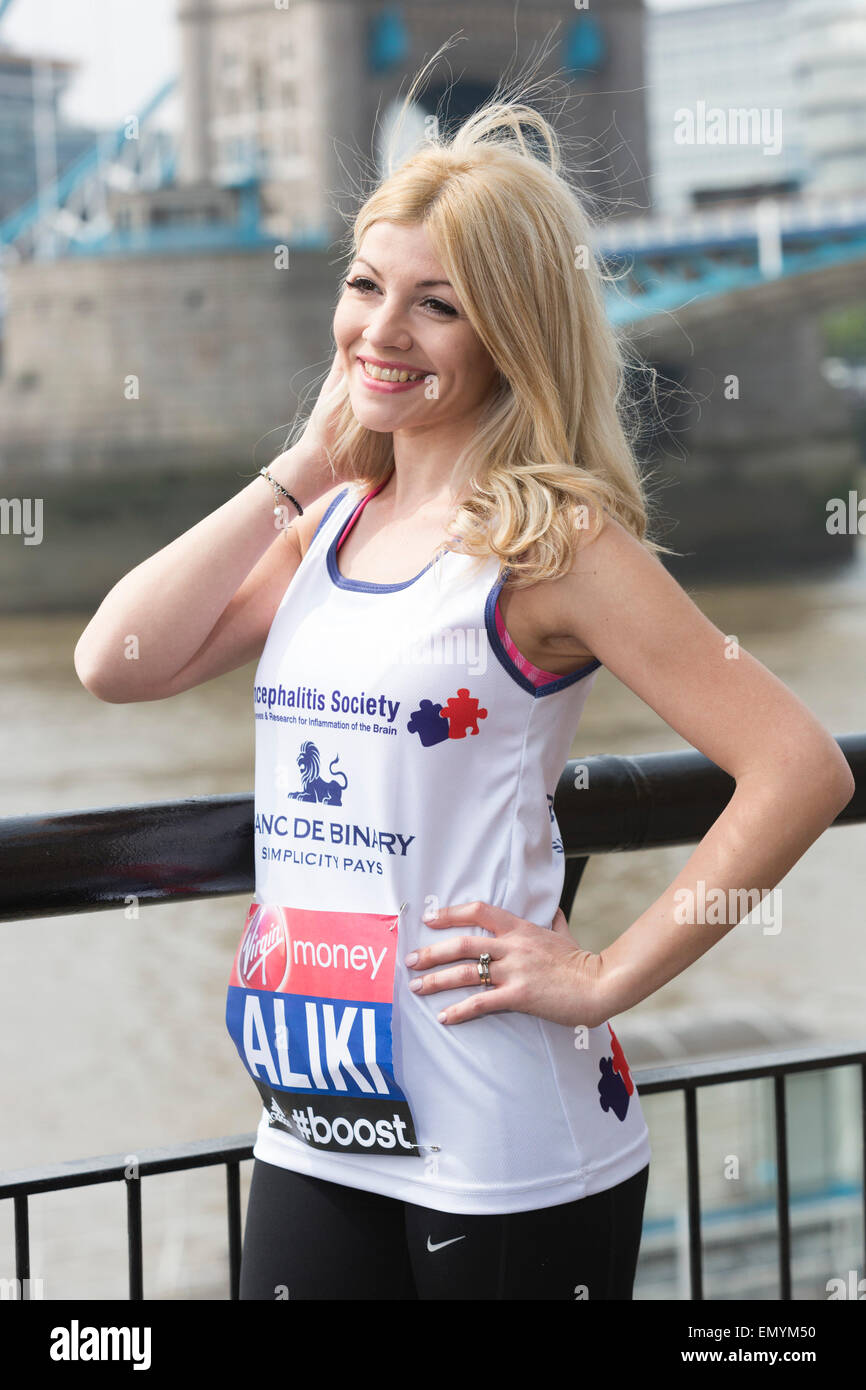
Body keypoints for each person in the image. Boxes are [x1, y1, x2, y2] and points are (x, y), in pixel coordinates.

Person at [73, 60, 855, 1302]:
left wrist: (604, 975)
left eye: (435, 305)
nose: (380, 333)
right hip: (314, 1114)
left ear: (509, 330)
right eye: (364, 286)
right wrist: (299, 468)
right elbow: (113, 662)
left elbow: (796, 767)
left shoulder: (558, 543)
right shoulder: (332, 524)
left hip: (498, 1140)